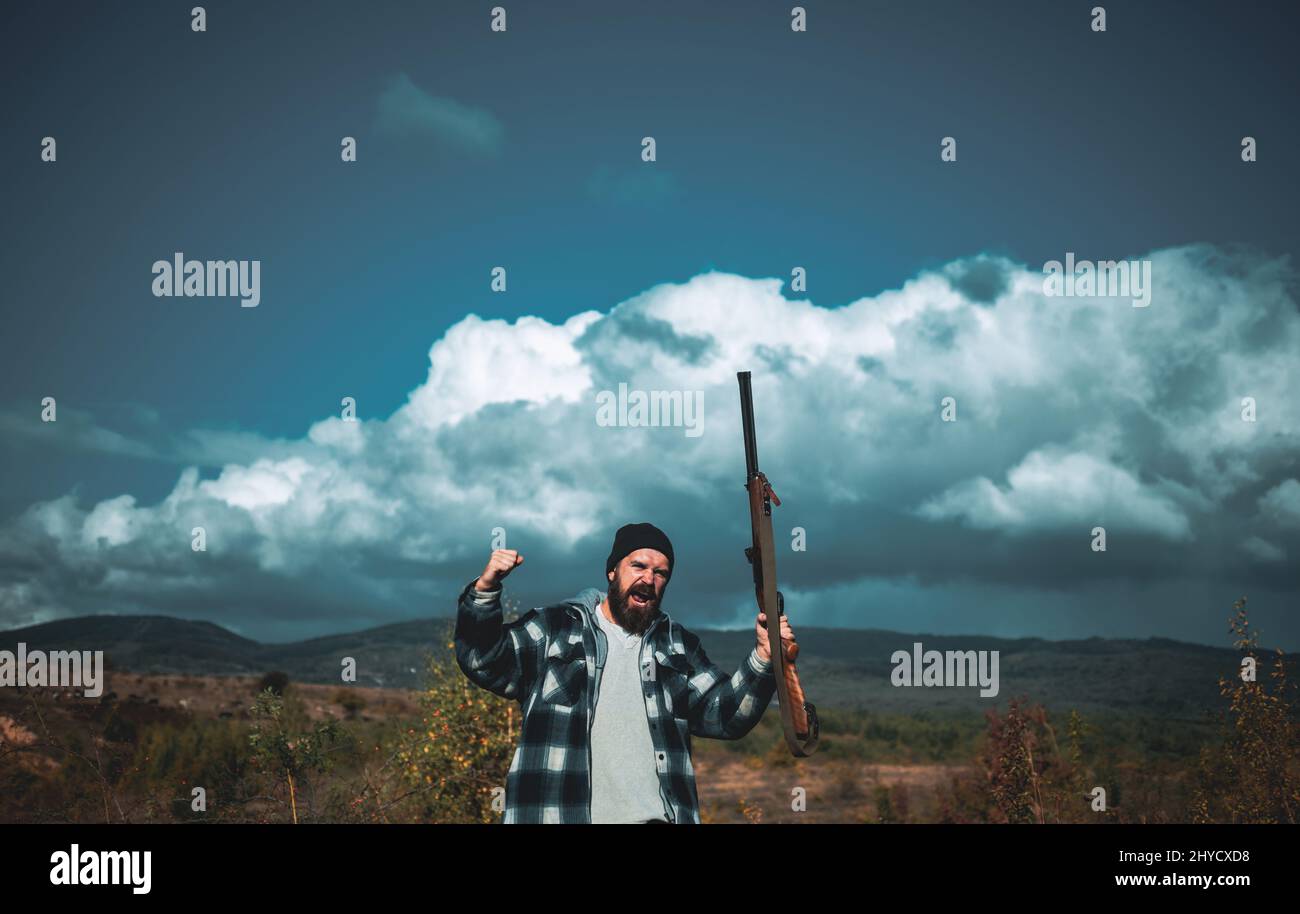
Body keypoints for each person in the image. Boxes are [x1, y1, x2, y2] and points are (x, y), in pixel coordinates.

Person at [454, 522, 797, 823]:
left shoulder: (677, 645)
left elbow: (726, 716)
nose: (648, 579)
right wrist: (485, 592)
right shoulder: (555, 628)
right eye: (638, 565)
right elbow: (484, 661)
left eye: (661, 572)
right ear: (612, 572)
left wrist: (764, 657)